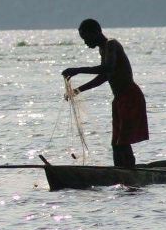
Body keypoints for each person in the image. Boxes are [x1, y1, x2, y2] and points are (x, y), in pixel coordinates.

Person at [61, 19, 148, 167]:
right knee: (116, 143)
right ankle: (120, 173)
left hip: (130, 97)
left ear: (96, 32)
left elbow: (107, 68)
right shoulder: (103, 49)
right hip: (120, 99)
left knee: (123, 142)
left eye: (86, 38)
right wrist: (77, 90)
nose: (86, 43)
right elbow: (104, 77)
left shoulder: (111, 44)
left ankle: (129, 175)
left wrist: (77, 70)